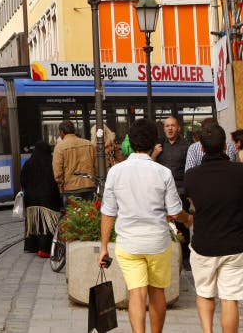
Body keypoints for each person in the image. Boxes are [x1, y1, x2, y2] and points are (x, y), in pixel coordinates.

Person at [99, 118, 191, 333]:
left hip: (128, 244)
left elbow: (108, 212)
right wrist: (188, 220)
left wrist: (103, 247)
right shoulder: (163, 173)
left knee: (136, 292)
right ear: (153, 143)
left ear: (130, 141)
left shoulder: (116, 172)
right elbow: (175, 212)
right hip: (157, 243)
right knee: (157, 292)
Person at [184, 121, 243, 333]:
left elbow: (194, 204)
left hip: (203, 245)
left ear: (201, 148)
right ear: (226, 147)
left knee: (205, 293)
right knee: (229, 299)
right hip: (235, 245)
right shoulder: (240, 172)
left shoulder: (191, 176)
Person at [150, 115, 192, 270]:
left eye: (173, 125)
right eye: (167, 126)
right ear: (164, 128)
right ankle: (168, 255)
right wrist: (154, 154)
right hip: (162, 191)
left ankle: (185, 257)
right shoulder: (159, 146)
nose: (170, 128)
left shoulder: (186, 146)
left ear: (178, 128)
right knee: (164, 224)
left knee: (183, 225)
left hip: (180, 190)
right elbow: (150, 165)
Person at [20, 141, 60, 258]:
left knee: (34, 222)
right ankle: (44, 248)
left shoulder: (28, 163)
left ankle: (32, 246)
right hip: (48, 198)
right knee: (47, 224)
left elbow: (22, 180)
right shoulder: (51, 162)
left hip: (31, 200)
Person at [52, 120, 97, 208]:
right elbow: (97, 166)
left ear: (62, 132)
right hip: (89, 186)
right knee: (90, 218)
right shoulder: (89, 144)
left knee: (74, 219)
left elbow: (57, 173)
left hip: (70, 189)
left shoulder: (59, 147)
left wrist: (61, 187)